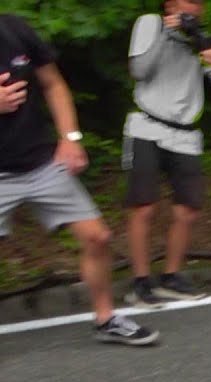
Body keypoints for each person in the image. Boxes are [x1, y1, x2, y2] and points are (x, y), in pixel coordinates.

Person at [0, 14, 158, 345]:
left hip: (39, 161)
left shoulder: (15, 29)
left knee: (97, 237)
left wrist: (70, 136)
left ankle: (106, 319)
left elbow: (54, 83)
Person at [122, 0, 211, 307]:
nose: (196, 7)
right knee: (144, 207)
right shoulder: (150, 23)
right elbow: (138, 71)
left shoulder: (202, 39)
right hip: (147, 125)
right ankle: (140, 282)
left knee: (187, 210)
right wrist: (167, 32)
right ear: (171, 4)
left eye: (200, 3)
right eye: (190, 1)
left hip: (186, 133)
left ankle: (171, 277)